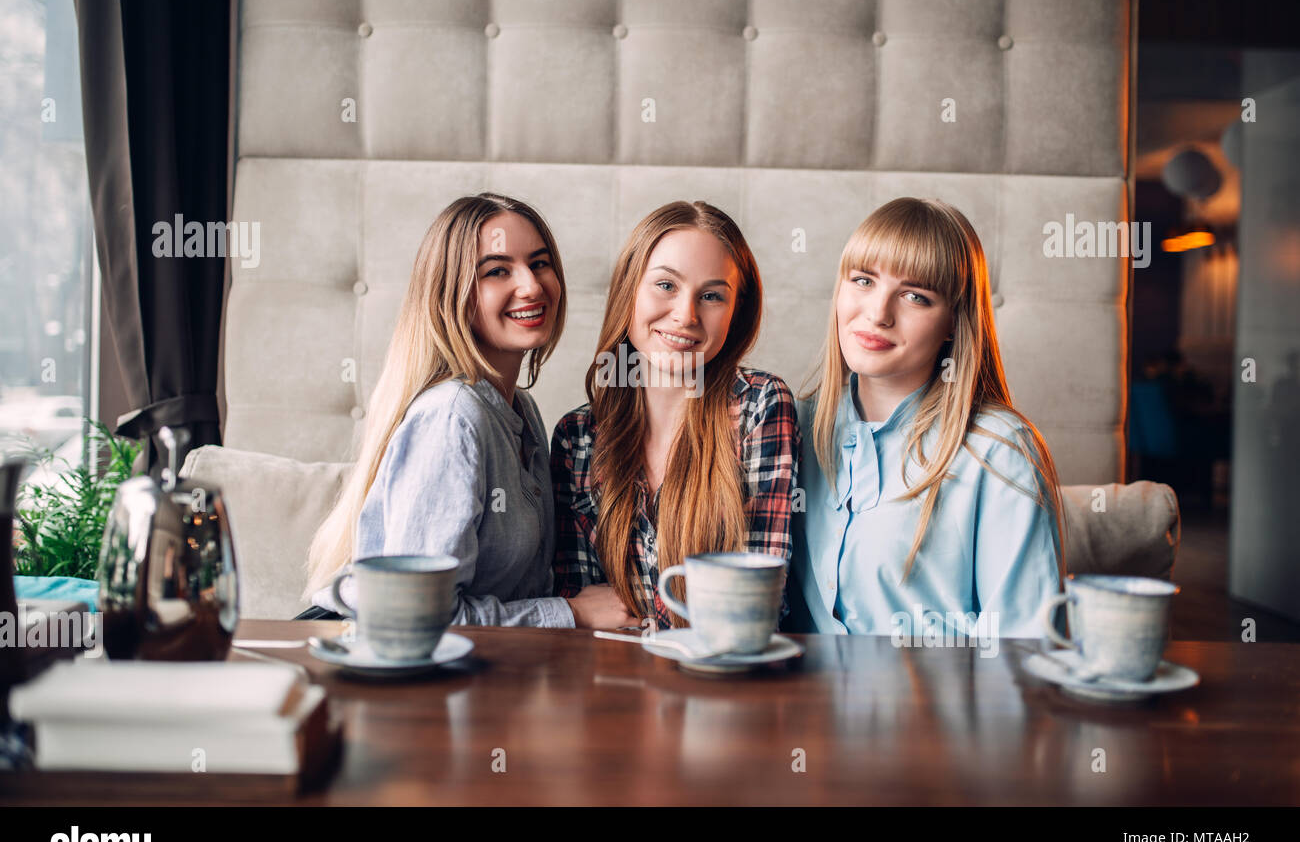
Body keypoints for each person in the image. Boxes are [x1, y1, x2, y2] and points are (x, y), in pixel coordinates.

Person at [301, 192, 625, 629]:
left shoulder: (521, 410)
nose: (531, 285)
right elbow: (413, 619)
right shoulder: (453, 417)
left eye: (540, 263)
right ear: (451, 294)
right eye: (497, 271)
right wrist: (571, 613)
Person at [787, 197, 1066, 639]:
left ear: (954, 321)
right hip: (800, 705)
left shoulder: (1000, 450)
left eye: (916, 296)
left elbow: (1023, 648)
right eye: (862, 280)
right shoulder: (790, 426)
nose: (878, 313)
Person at [551, 200, 799, 631]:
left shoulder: (760, 405)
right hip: (612, 684)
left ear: (735, 313)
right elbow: (585, 613)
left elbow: (758, 604)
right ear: (629, 290)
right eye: (666, 285)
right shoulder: (577, 438)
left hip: (721, 679)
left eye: (711, 296)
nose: (686, 315)